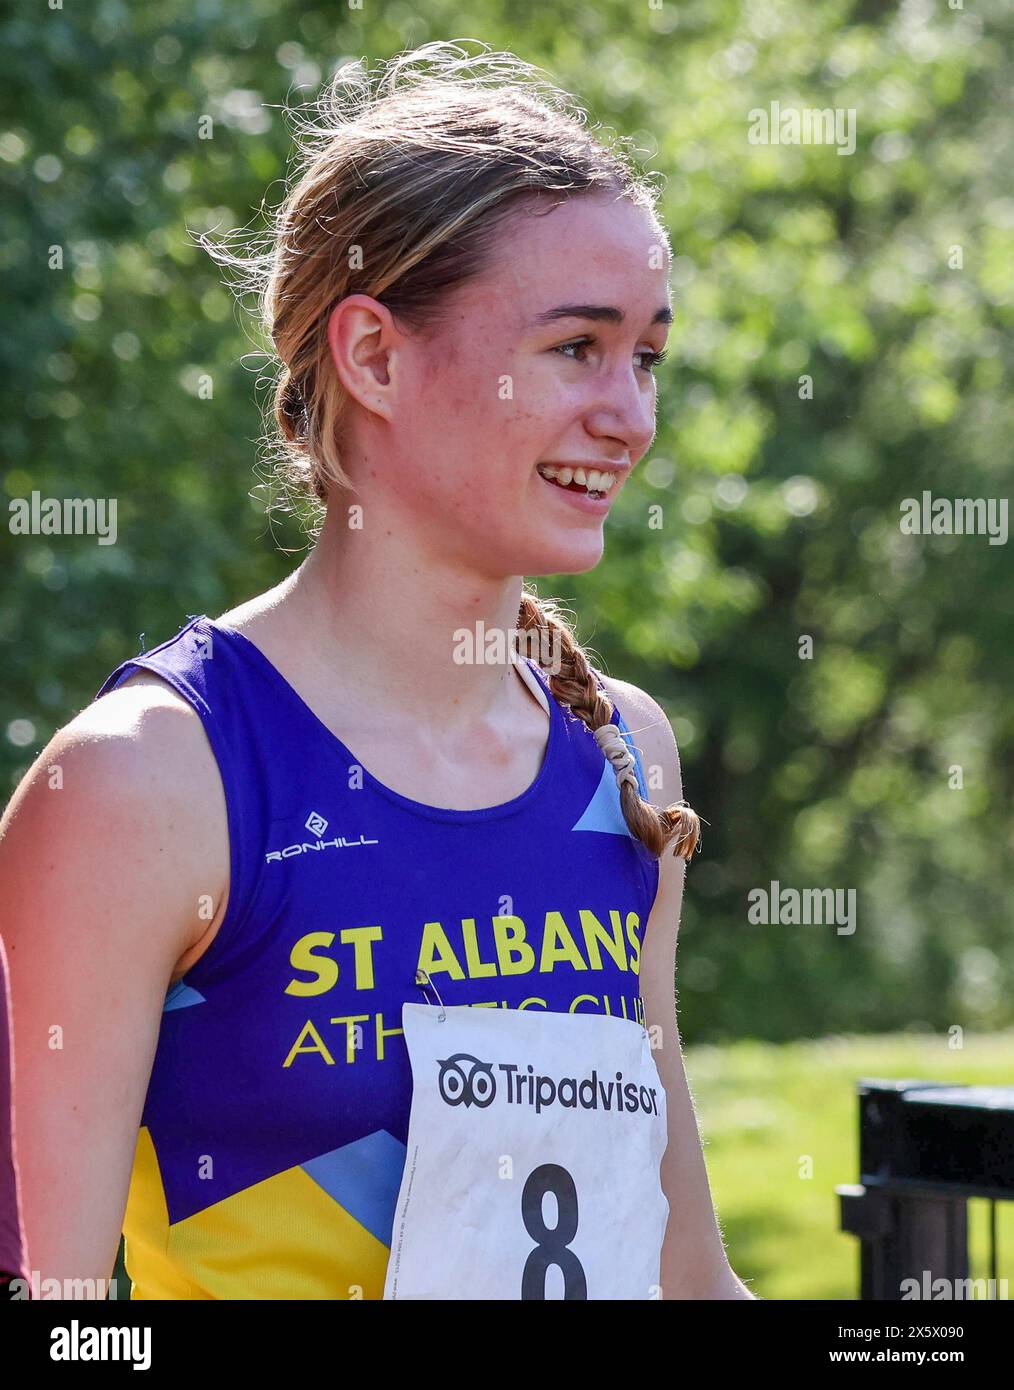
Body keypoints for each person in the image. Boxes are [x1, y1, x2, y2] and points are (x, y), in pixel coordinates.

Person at [0, 39, 753, 1300]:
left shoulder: (624, 754)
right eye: (577, 346)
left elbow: (684, 1277)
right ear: (375, 357)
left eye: (648, 357)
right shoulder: (142, 784)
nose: (630, 413)